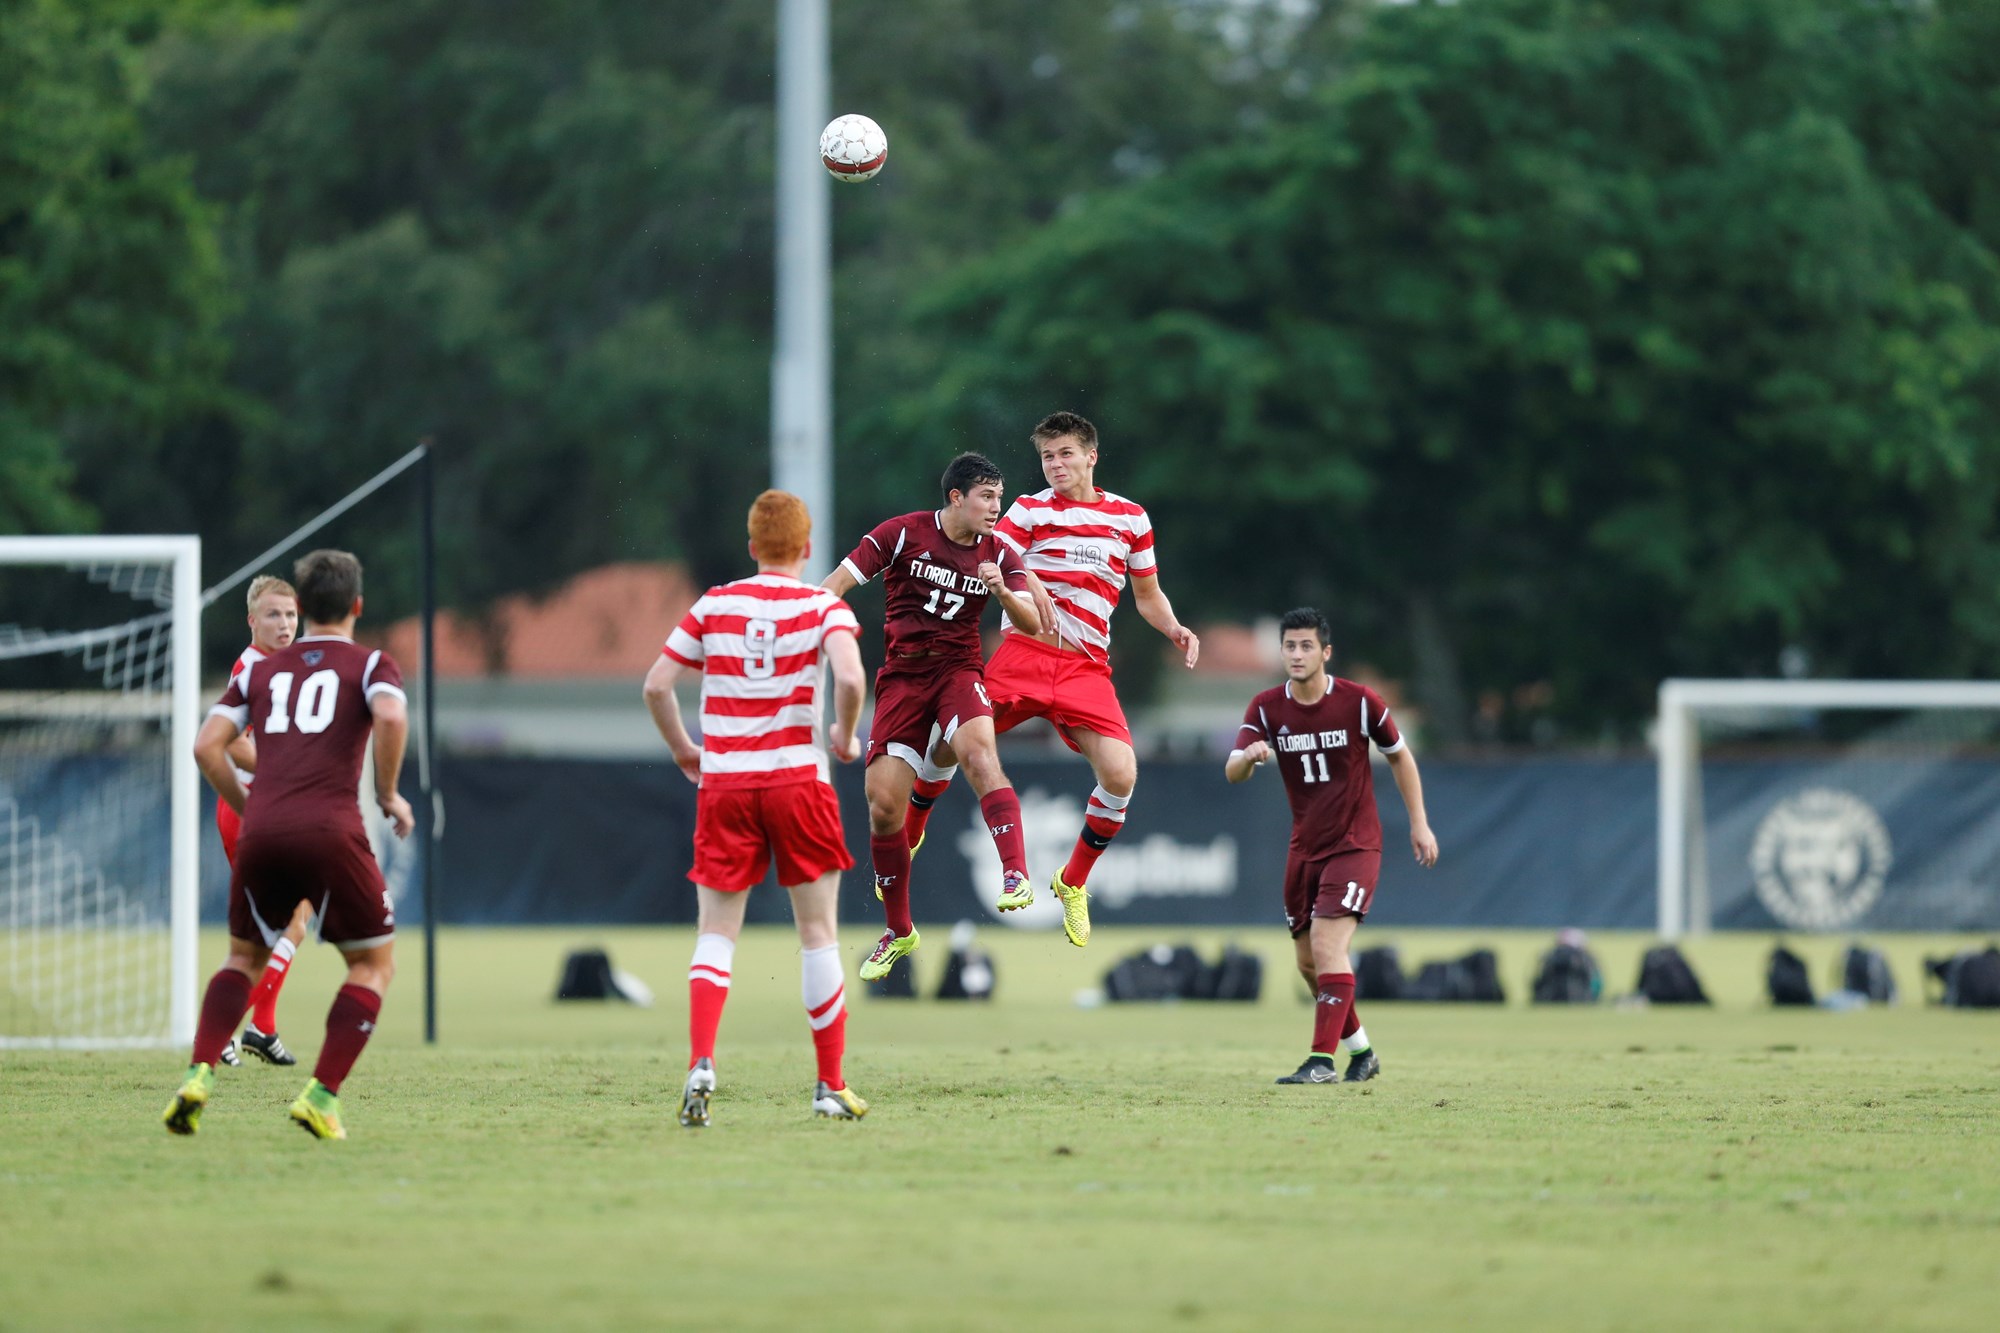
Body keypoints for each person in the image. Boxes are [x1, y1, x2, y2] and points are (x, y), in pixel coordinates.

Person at [902, 412, 1200, 949]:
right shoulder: (1030, 509)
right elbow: (991, 551)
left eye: (1065, 453)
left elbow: (1148, 596)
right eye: (1046, 457)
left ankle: (1072, 881)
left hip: (1085, 666)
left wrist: (1174, 627)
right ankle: (915, 820)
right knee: (951, 739)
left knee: (1120, 773)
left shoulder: (1131, 518)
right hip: (1025, 652)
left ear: (1091, 456)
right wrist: (1025, 579)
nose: (1055, 465)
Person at [167, 549, 414, 1140]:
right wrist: (388, 793)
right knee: (373, 965)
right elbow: (391, 718)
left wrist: (252, 805)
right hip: (330, 828)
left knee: (241, 959)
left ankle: (199, 1074)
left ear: (300, 608)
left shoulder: (259, 670)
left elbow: (206, 746)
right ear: (357, 606)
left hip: (264, 831)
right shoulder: (373, 663)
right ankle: (322, 1096)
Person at [644, 490, 871, 1126]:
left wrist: (686, 749)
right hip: (798, 782)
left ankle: (701, 1061)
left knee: (715, 932)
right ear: (806, 548)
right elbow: (851, 679)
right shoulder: (821, 605)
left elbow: (657, 684)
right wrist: (847, 735)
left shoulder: (716, 602)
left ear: (751, 546)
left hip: (726, 784)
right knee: (818, 933)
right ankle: (829, 1084)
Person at [820, 452, 1047, 981]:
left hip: (958, 672)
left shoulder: (999, 553)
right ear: (956, 498)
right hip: (901, 679)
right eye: (987, 497)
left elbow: (1033, 623)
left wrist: (1001, 591)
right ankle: (899, 932)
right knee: (881, 806)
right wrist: (808, 623)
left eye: (1000, 496)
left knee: (979, 753)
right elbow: (835, 585)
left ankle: (1015, 872)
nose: (997, 507)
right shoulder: (903, 534)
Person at [1224, 607, 1439, 1084]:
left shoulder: (1360, 702)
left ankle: (1321, 1061)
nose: (1297, 655)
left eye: (1306, 646)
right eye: (1289, 646)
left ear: (1326, 652)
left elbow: (1400, 757)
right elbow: (1232, 770)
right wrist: (1250, 757)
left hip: (1355, 844)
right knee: (1307, 963)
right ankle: (1362, 1052)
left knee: (1326, 946)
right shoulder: (1265, 707)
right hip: (1304, 849)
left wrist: (1419, 823)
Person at [211, 575, 313, 1069]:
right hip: (250, 812)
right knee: (280, 926)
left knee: (294, 919)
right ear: (252, 620)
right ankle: (227, 1032)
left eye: (291, 615)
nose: (285, 624)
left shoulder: (290, 668)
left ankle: (261, 1028)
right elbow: (229, 741)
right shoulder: (251, 668)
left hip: (272, 813)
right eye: (273, 614)